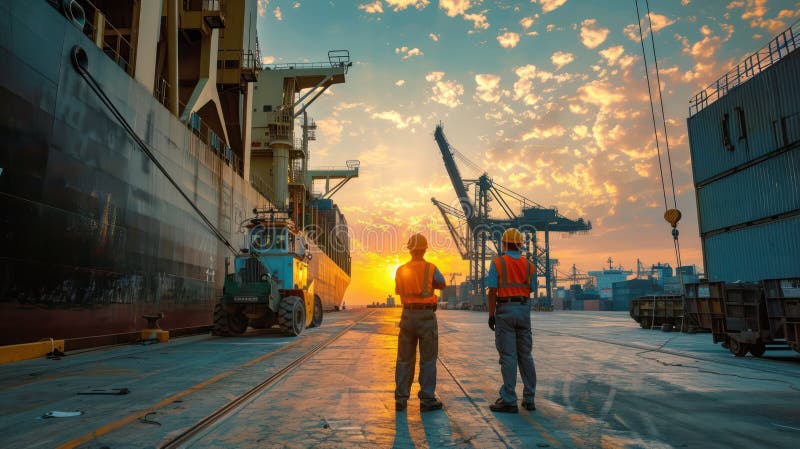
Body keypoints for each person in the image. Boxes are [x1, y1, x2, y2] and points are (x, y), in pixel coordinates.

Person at [394, 233, 446, 412]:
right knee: (428, 360)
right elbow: (442, 284)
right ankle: (427, 399)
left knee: (404, 359)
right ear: (424, 249)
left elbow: (399, 289)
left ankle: (401, 398)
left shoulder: (401, 270)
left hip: (407, 316)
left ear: (410, 249)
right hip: (426, 317)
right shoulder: (431, 268)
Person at [486, 228, 537, 413]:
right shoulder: (530, 265)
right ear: (520, 244)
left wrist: (491, 315)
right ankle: (529, 399)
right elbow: (530, 289)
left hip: (505, 311)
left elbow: (492, 291)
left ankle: (509, 400)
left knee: (508, 357)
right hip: (524, 310)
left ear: (504, 243)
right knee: (526, 356)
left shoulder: (498, 263)